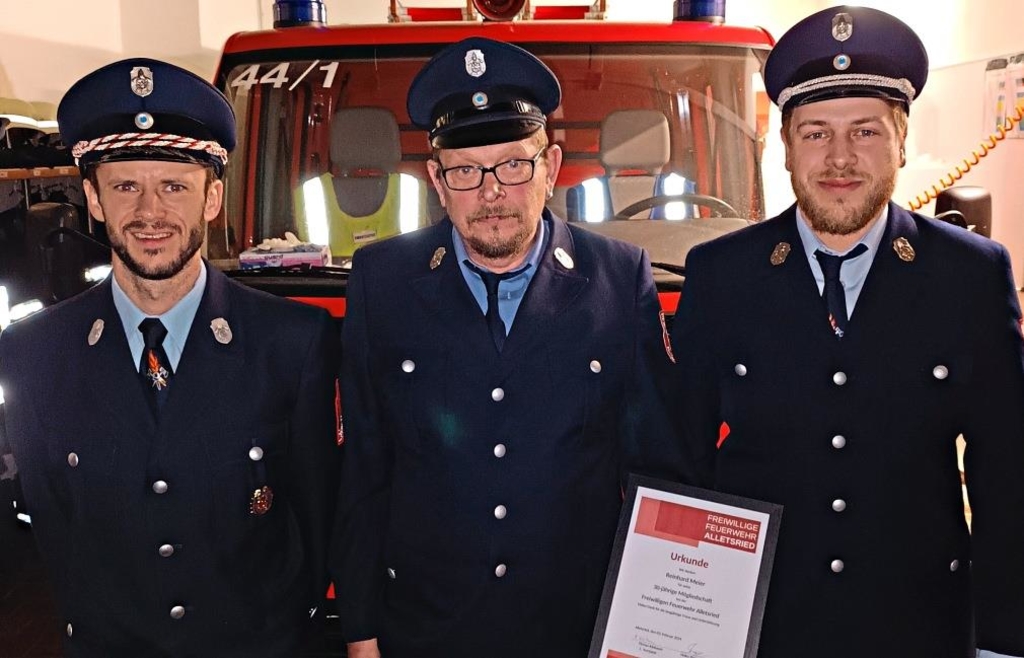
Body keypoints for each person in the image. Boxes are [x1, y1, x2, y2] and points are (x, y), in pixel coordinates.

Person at [670, 6, 1024, 658]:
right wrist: (670, 630)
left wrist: (1004, 639)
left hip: (920, 630)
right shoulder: (721, 276)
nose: (839, 158)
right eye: (815, 133)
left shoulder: (970, 277)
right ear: (785, 148)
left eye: (865, 131)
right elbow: (678, 466)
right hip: (762, 630)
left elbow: (1007, 473)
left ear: (903, 141)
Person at [333, 36, 685, 658]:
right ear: (438, 181)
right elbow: (364, 468)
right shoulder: (381, 283)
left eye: (513, 165)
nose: (491, 192)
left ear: (549, 166)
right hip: (426, 630)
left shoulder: (619, 277)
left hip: (575, 630)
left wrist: (656, 628)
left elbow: (654, 470)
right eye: (467, 170)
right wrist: (360, 631)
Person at [0, 58, 340, 657]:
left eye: (174, 186)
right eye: (126, 186)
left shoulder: (294, 341)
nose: (150, 213)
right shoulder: (34, 354)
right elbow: (53, 526)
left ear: (212, 198)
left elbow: (314, 515)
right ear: (93, 199)